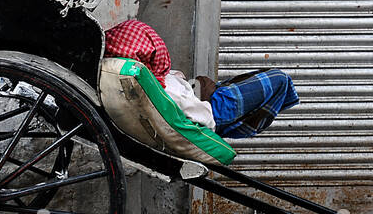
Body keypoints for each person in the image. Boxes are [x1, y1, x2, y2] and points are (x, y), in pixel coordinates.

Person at [103, 19, 299, 137]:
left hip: (203, 96)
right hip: (216, 109)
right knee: (279, 79)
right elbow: (199, 115)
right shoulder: (158, 87)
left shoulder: (137, 75)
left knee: (268, 80)